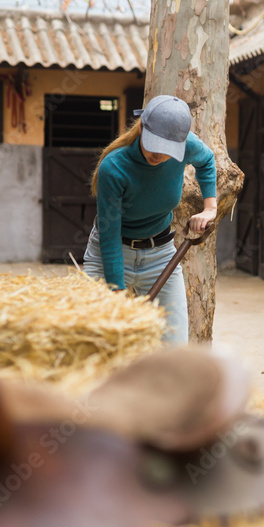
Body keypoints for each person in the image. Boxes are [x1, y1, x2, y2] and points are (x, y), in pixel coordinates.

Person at [82, 95, 217, 344]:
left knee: (174, 346)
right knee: (96, 343)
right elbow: (109, 236)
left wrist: (210, 207)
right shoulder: (113, 167)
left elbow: (207, 161)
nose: (158, 154)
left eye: (167, 150)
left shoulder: (187, 145)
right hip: (110, 254)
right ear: (142, 127)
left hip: (160, 256)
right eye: (154, 145)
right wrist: (116, 292)